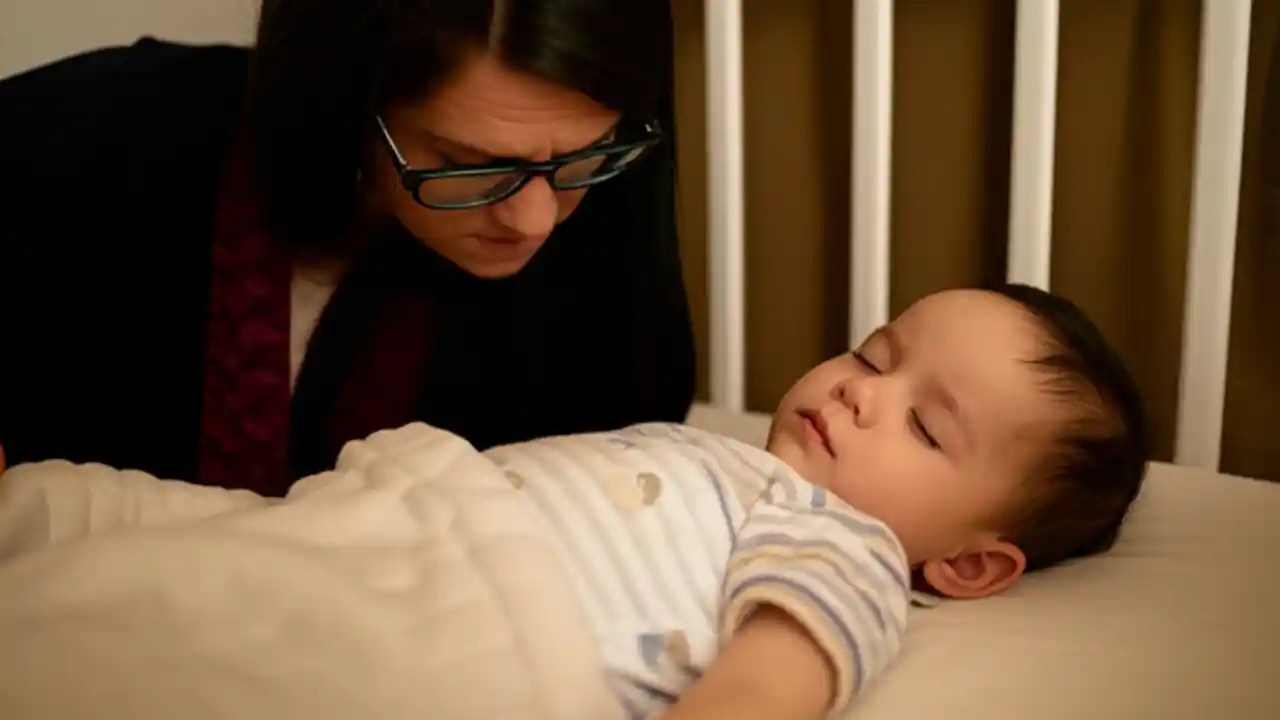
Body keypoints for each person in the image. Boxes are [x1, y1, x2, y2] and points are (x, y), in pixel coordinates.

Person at [0, 284, 1149, 719]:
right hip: (373, 523)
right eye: (872, 352)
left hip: (471, 626)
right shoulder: (714, 453)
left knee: (125, 640)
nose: (858, 392)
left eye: (923, 423)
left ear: (966, 565)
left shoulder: (837, 543)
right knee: (83, 515)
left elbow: (775, 681)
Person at [0, 0, 695, 496]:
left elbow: (622, 499)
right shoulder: (90, 137)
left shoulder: (613, 194)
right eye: (467, 163)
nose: (535, 219)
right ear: (347, 100)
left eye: (580, 157)